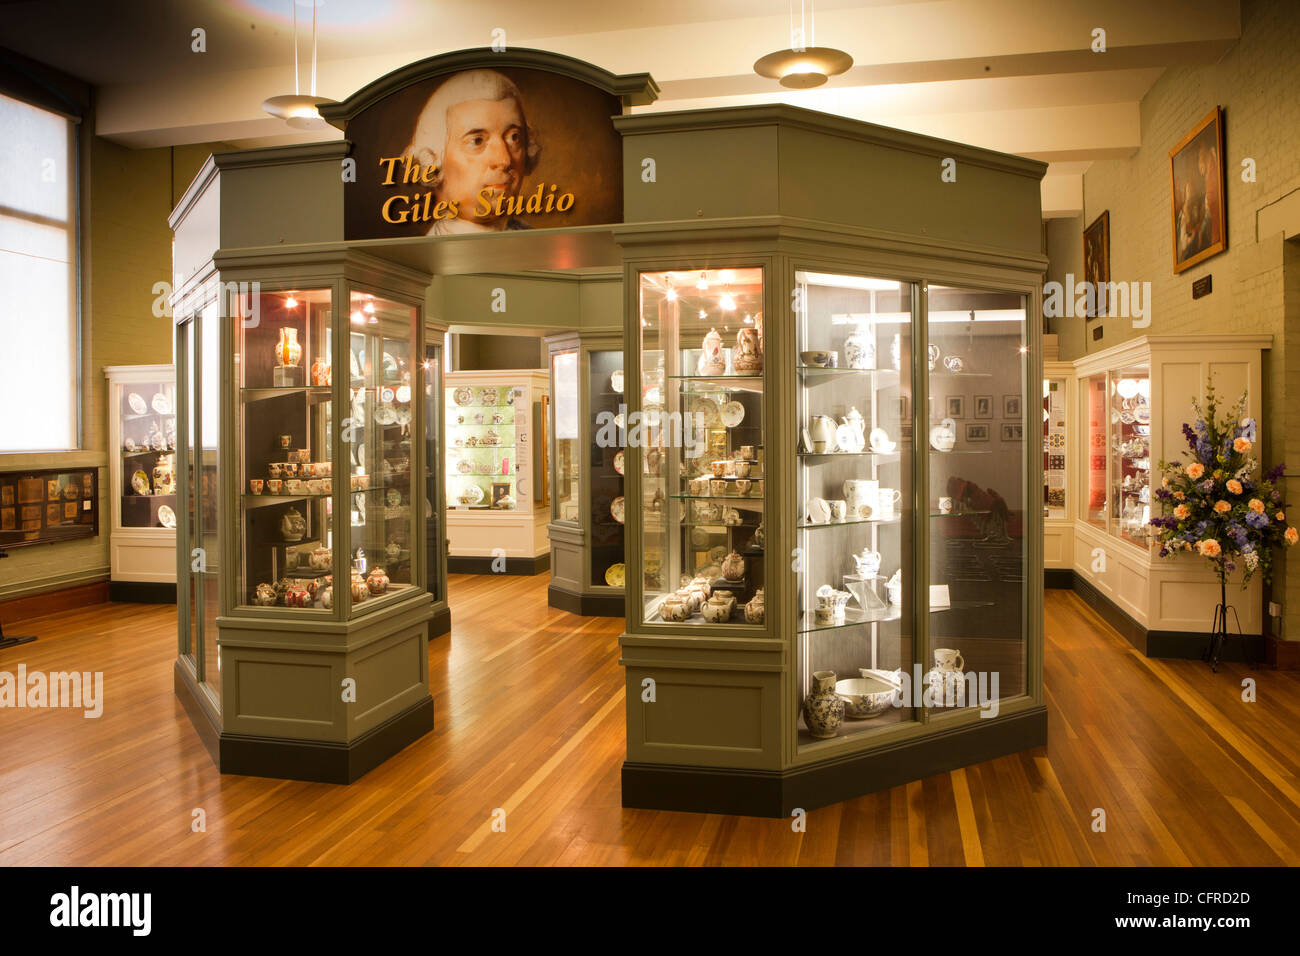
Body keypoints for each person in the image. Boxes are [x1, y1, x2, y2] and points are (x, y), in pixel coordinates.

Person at [403, 70, 539, 235]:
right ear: (432, 160)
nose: (504, 160)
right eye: (477, 141)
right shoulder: (423, 257)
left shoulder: (542, 244)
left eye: (514, 137)